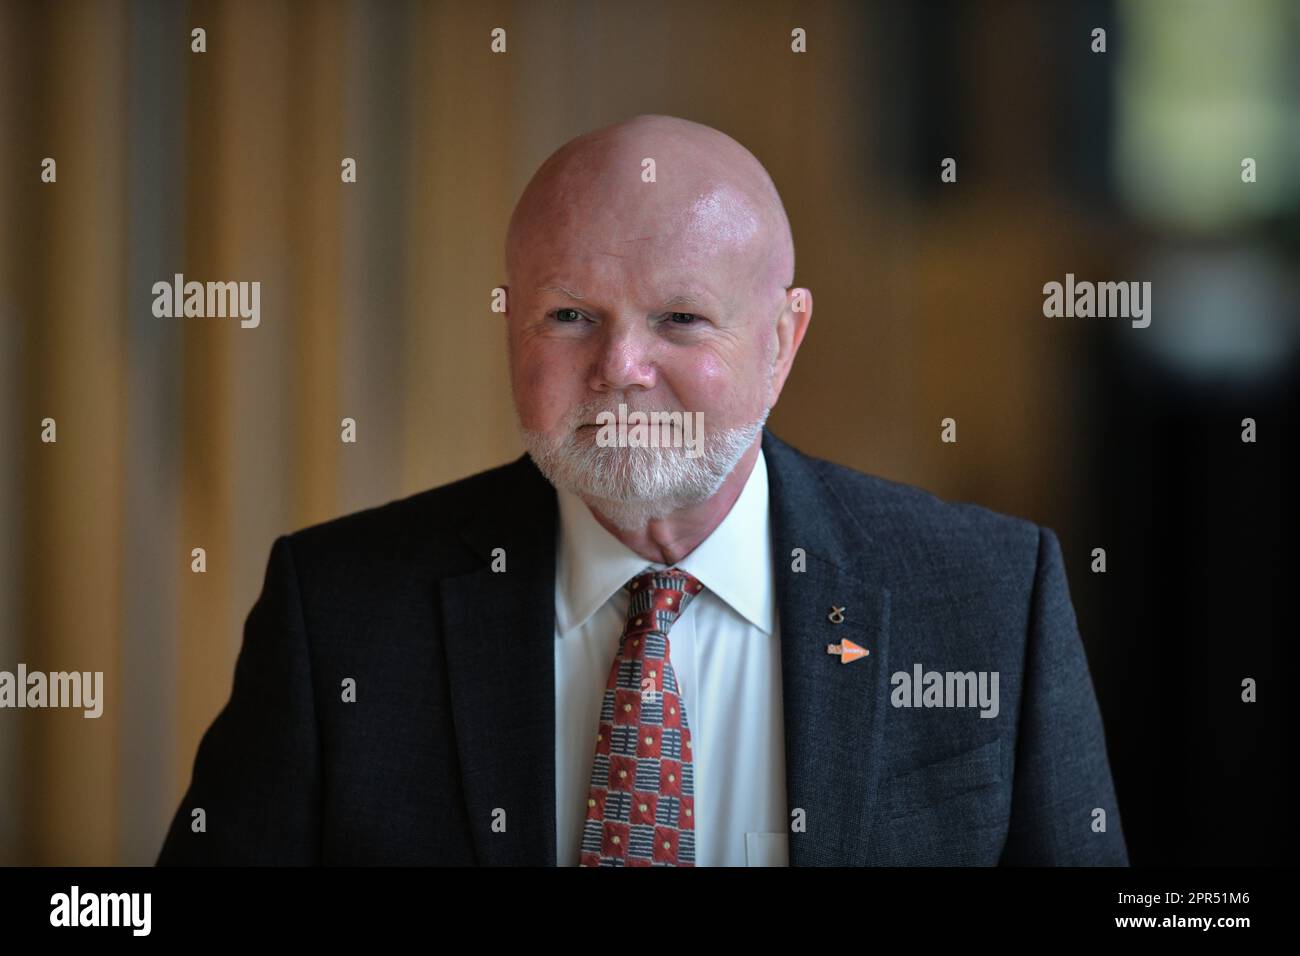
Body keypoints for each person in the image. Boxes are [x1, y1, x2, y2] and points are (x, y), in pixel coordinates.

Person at [157, 114, 1127, 866]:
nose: (621, 365)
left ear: (782, 341)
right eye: (570, 313)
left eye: (680, 318)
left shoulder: (991, 599)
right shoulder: (338, 611)